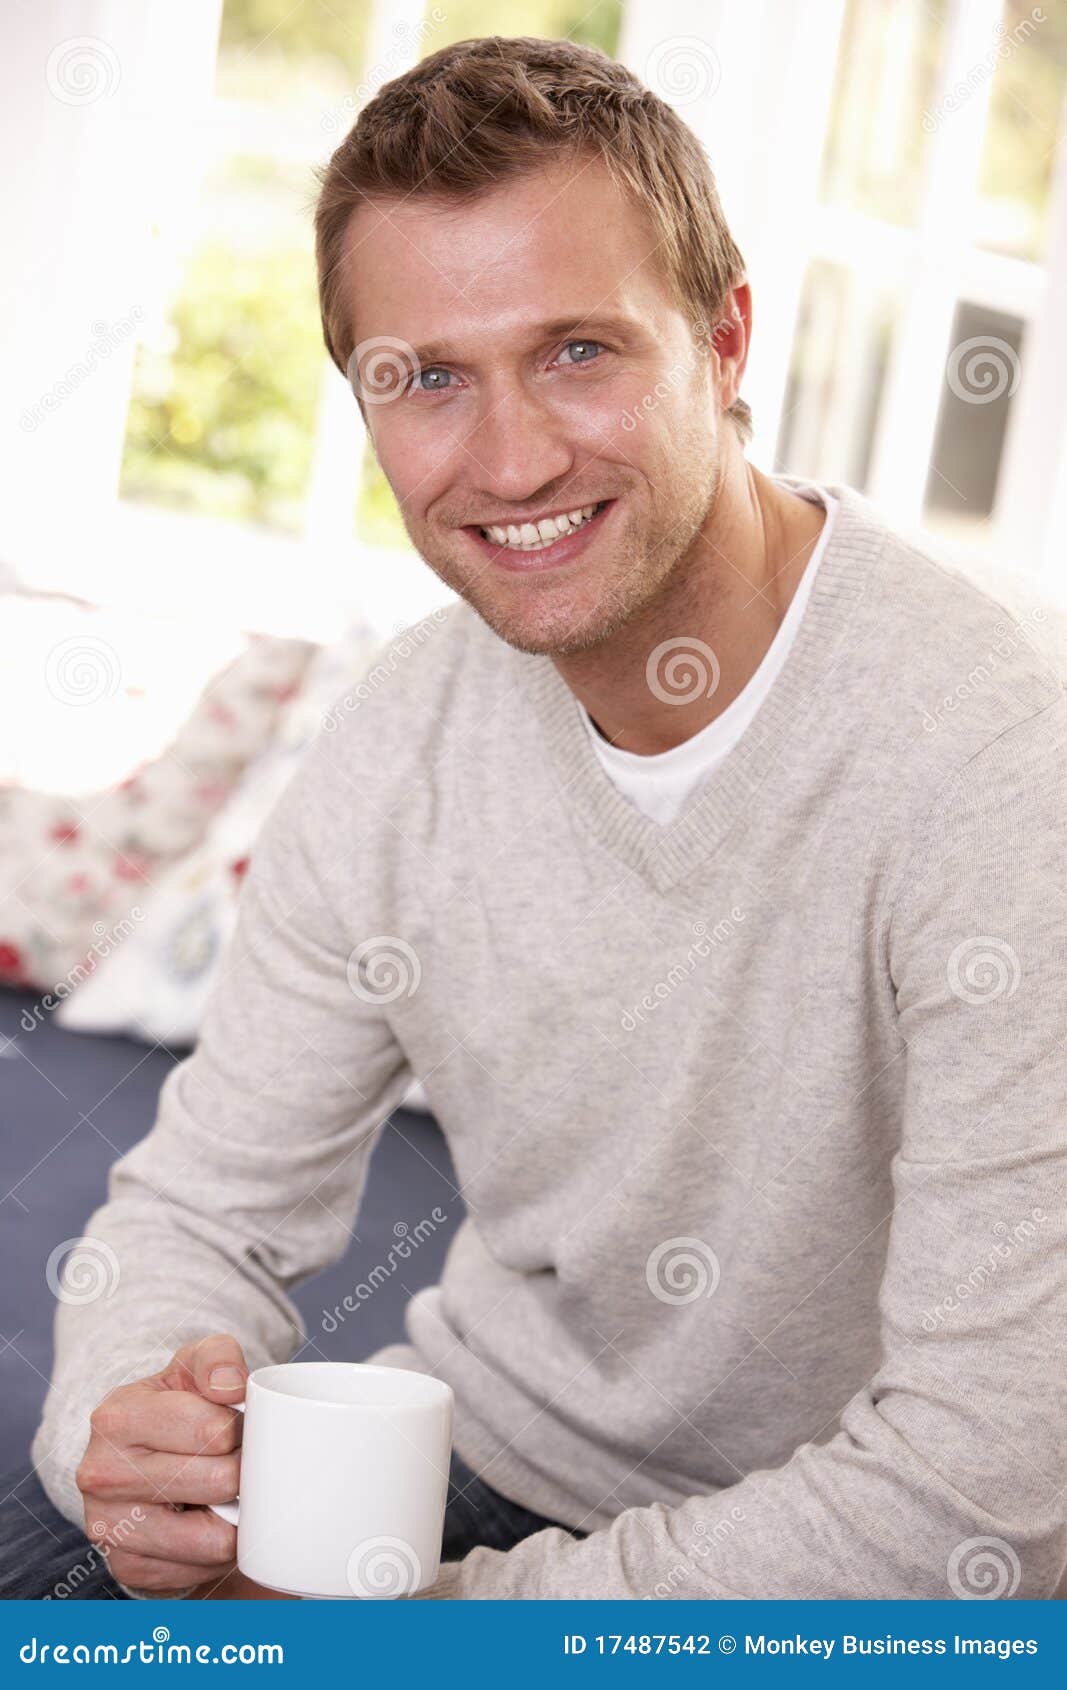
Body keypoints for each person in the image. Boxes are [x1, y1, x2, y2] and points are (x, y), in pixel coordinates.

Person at [11, 35, 1067, 1600]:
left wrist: (438, 1633)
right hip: (485, 1470)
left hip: (845, 1569)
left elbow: (979, 1493)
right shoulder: (404, 732)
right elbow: (203, 1211)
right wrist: (136, 1426)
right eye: (426, 378)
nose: (510, 459)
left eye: (580, 350)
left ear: (724, 343)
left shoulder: (992, 760)